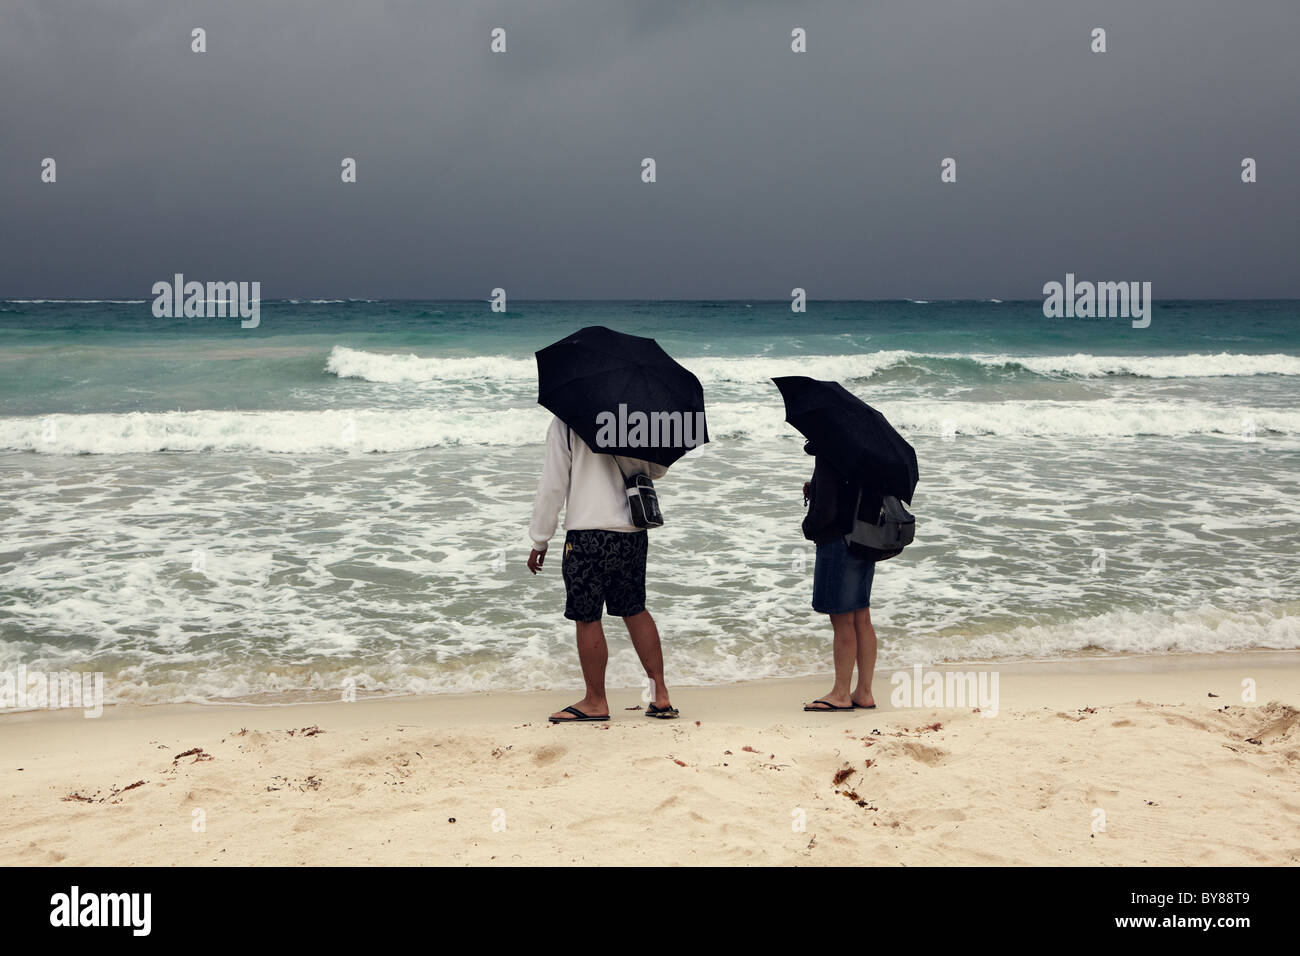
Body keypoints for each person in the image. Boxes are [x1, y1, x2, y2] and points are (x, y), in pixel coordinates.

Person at [527, 416, 678, 722]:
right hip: (632, 531)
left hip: (588, 534)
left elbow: (553, 485)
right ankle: (660, 695)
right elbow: (658, 469)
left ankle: (596, 701)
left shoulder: (567, 421)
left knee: (587, 616)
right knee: (635, 609)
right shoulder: (636, 417)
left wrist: (539, 539)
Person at [799, 440, 879, 712]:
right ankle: (864, 692)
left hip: (837, 540)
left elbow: (827, 511)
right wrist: (817, 489)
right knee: (861, 617)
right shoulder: (863, 448)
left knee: (843, 620)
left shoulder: (829, 450)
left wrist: (809, 525)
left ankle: (841, 694)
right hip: (864, 538)